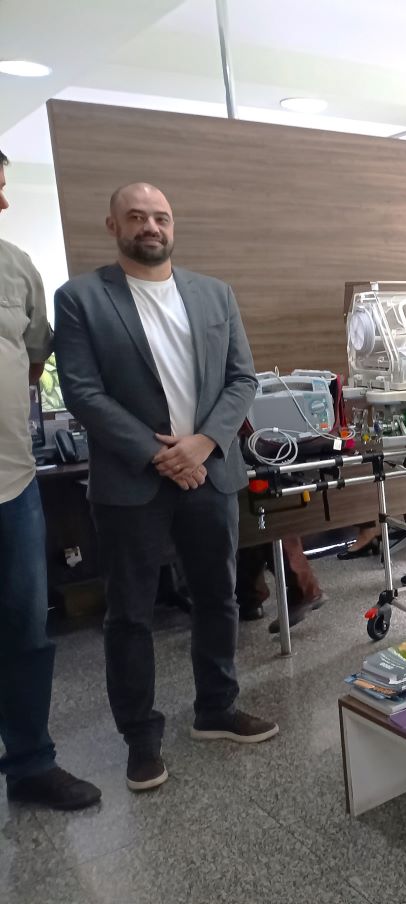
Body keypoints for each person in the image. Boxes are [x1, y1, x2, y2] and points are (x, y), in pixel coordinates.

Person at [54, 182, 278, 793]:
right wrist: (161, 454)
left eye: (160, 217)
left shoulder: (214, 294)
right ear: (113, 225)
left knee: (219, 597)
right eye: (136, 217)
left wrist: (203, 445)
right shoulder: (80, 298)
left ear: (172, 225)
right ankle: (140, 738)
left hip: (210, 471)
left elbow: (242, 379)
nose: (150, 226)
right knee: (129, 613)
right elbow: (83, 392)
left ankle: (216, 709)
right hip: (132, 482)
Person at [0, 149, 101, 811]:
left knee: (25, 631)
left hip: (11, 487)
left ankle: (31, 762)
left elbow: (34, 357)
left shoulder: (16, 266)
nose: (5, 203)